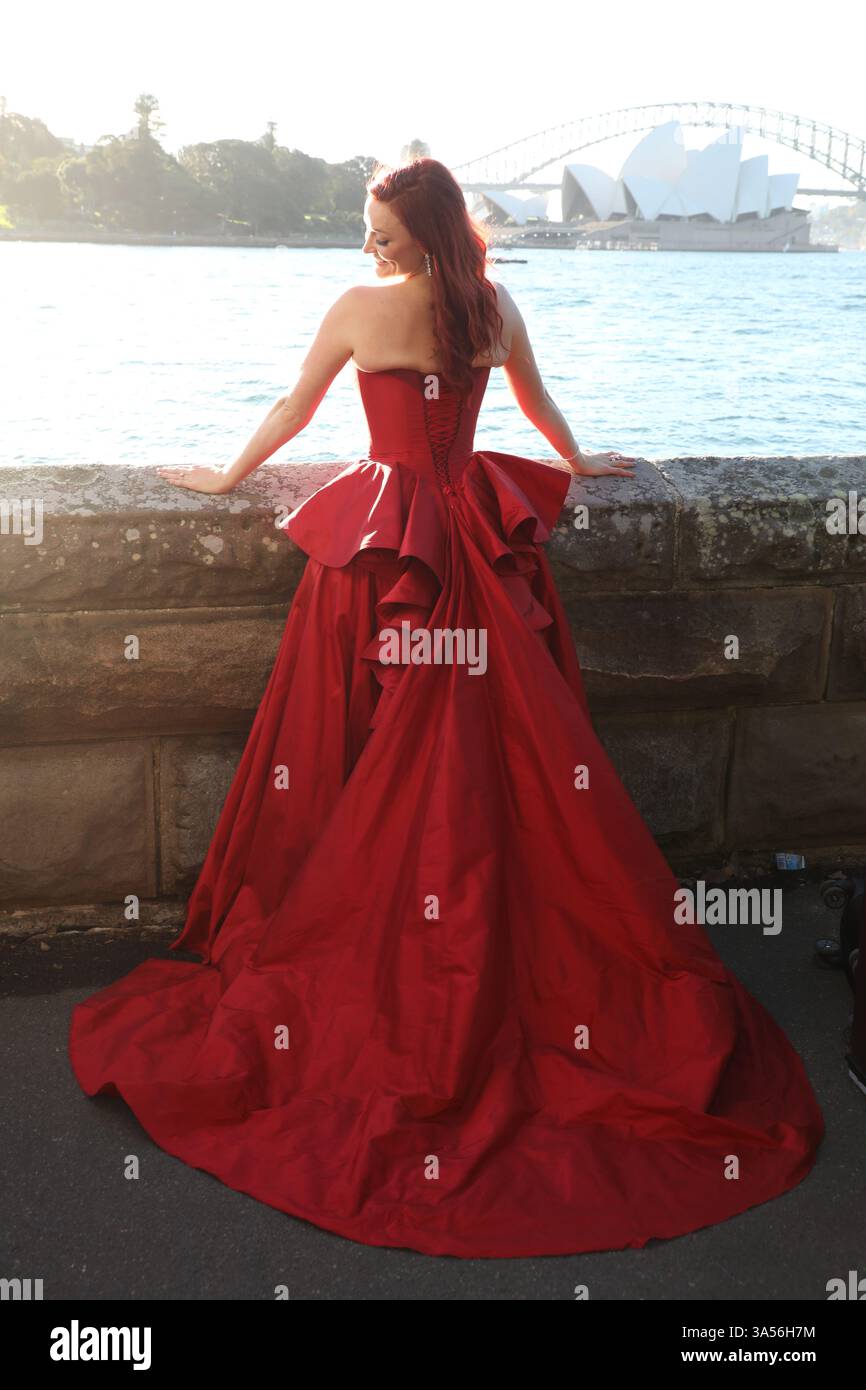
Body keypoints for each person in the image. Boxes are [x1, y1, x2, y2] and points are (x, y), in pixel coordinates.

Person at [69, 158, 823, 1259]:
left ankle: (394, 947)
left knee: (376, 751)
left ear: (419, 229)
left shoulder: (363, 313)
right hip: (470, 535)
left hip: (387, 553)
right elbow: (534, 404)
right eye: (366, 232)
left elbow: (295, 406)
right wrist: (574, 458)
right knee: (490, 763)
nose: (367, 246)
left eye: (380, 231)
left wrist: (229, 478)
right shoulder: (489, 303)